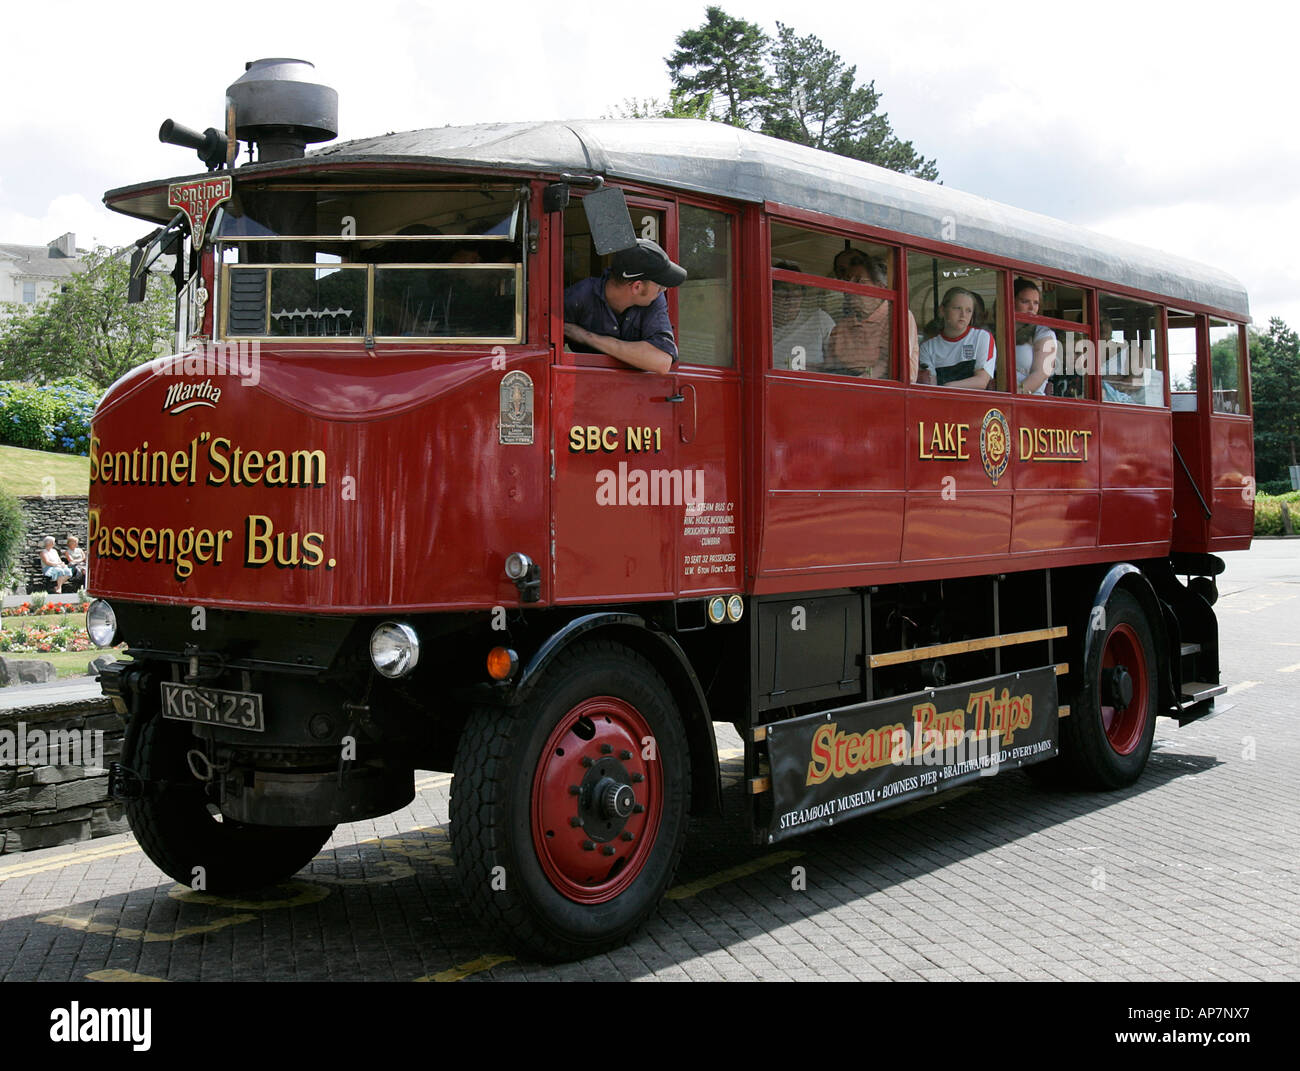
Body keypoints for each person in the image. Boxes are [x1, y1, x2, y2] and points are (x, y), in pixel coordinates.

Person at [563, 238, 687, 373]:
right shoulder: (577, 297)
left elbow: (662, 361)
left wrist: (587, 337)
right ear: (637, 286)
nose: (663, 289)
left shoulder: (653, 300)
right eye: (659, 285)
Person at [827, 249, 920, 381]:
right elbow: (829, 368)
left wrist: (857, 383)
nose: (851, 288)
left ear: (880, 288)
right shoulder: (841, 327)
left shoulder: (897, 317)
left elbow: (886, 364)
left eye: (859, 281)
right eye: (849, 282)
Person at [917, 287, 996, 389]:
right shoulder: (927, 347)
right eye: (957, 308)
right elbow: (930, 384)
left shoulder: (982, 337)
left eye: (968, 310)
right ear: (942, 310)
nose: (963, 315)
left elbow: (981, 381)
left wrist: (947, 386)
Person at [771, 260, 834, 370]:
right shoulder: (759, 328)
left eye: (795, 289)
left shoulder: (819, 320)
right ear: (771, 293)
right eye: (782, 289)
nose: (790, 296)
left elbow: (838, 366)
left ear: (803, 294)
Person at [1013, 278, 1058, 394]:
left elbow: (1040, 374)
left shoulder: (1044, 333)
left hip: (1031, 401)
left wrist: (1015, 394)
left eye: (1036, 303)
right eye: (1025, 302)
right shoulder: (996, 331)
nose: (1032, 308)